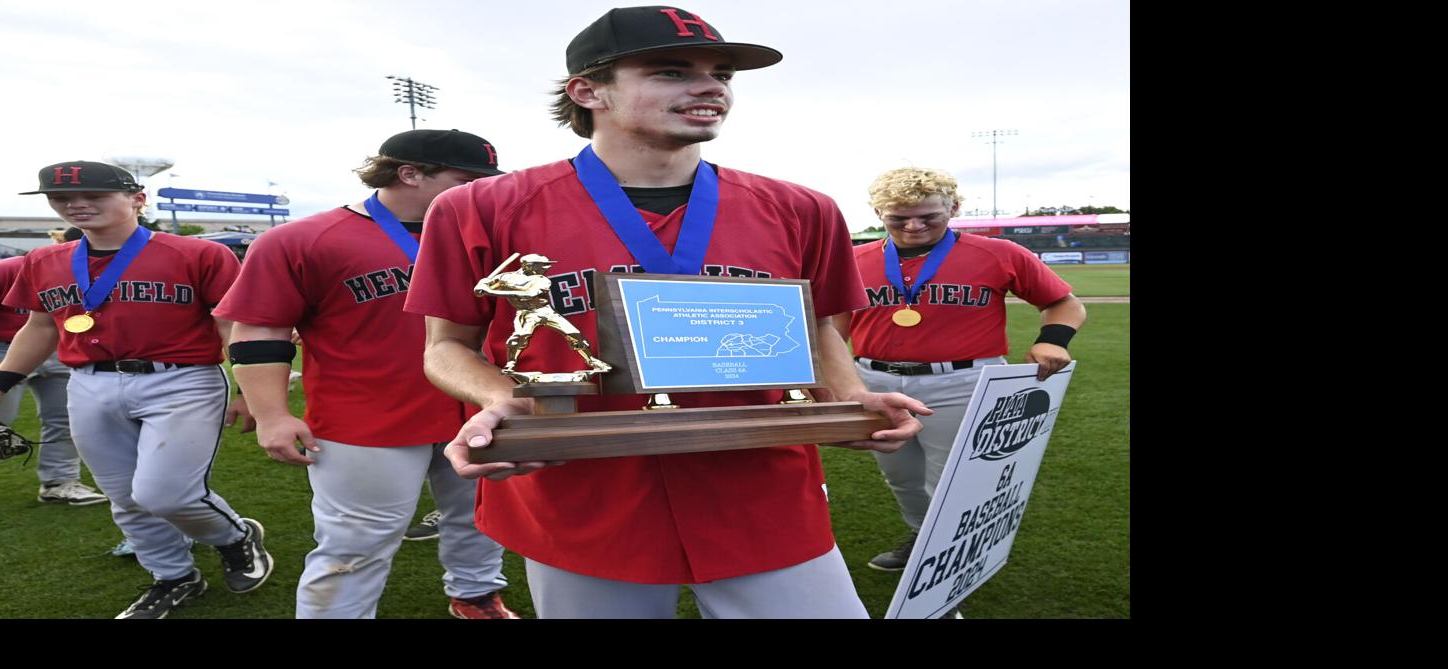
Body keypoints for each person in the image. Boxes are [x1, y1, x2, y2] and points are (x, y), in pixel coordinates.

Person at [405, 6, 929, 619]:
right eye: (672, 71)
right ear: (587, 90)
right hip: (581, 487)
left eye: (722, 73)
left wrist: (849, 399)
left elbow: (814, 330)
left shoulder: (801, 207)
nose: (711, 87)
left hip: (761, 482)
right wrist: (500, 400)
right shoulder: (479, 206)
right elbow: (445, 346)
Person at [0, 160, 273, 619]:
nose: (76, 205)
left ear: (138, 199)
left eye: (94, 196)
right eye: (61, 199)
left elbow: (230, 324)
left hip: (181, 379)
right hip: (89, 382)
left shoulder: (199, 253)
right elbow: (41, 327)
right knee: (124, 496)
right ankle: (174, 576)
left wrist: (250, 391)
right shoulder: (43, 260)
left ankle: (235, 536)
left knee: (167, 493)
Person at [216, 130, 519, 619]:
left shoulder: (490, 235)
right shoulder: (304, 238)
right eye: (465, 180)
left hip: (484, 404)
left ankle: (476, 594)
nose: (480, 192)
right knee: (355, 543)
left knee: (481, 519)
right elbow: (259, 331)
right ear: (409, 173)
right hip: (368, 418)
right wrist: (271, 414)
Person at [838, 167, 1086, 573]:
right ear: (878, 212)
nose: (914, 226)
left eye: (929, 216)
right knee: (900, 475)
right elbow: (835, 327)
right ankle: (924, 541)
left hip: (964, 381)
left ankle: (944, 568)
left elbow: (1065, 304)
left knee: (952, 481)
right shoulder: (854, 259)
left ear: (953, 208)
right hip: (874, 380)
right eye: (899, 218)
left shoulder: (999, 253)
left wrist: (1053, 340)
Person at [0, 255, 108, 514]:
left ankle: (59, 481)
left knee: (67, 419)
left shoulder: (96, 271)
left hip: (59, 347)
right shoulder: (7, 269)